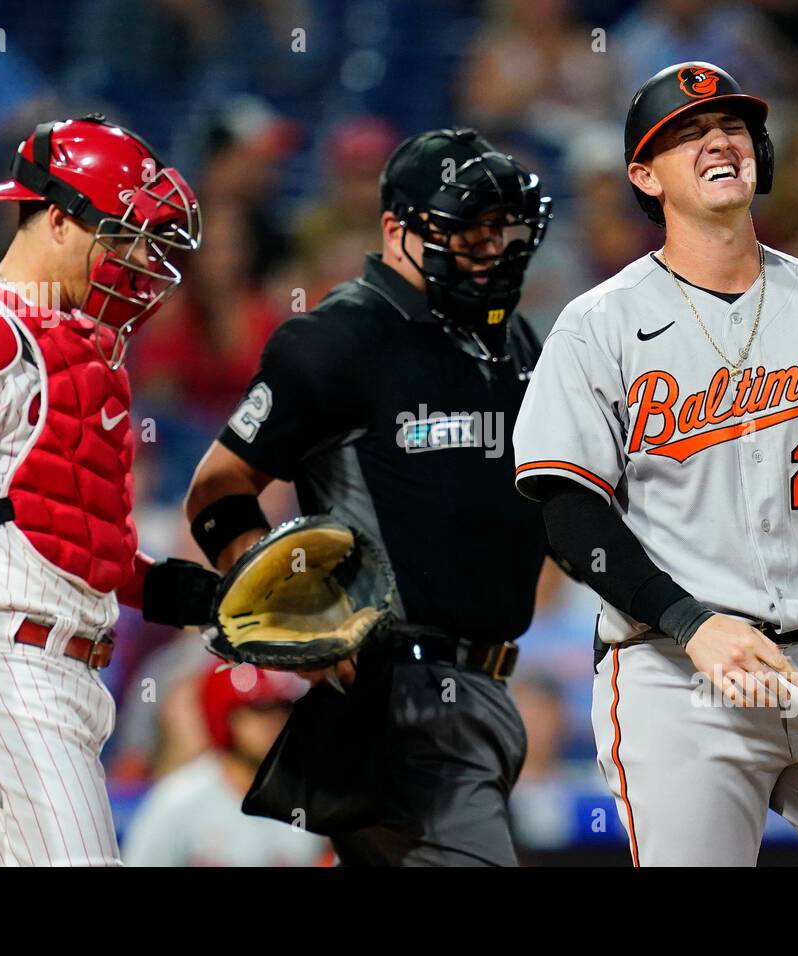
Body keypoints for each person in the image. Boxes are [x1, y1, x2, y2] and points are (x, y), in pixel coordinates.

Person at [512, 62, 798, 866]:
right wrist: (690, 623)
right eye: (686, 134)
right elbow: (567, 513)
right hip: (673, 674)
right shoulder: (598, 326)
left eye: (729, 126)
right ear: (643, 176)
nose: (717, 141)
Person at [184, 128, 552, 866]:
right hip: (399, 693)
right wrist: (290, 602)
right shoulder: (337, 339)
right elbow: (217, 492)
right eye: (463, 228)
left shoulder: (513, 339)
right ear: (395, 230)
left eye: (501, 227)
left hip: (488, 689)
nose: (487, 246)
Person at [0, 115, 219, 866]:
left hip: (60, 671)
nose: (140, 262)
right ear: (57, 218)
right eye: (124, 237)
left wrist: (186, 597)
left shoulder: (83, 344)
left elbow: (62, 537)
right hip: (2, 671)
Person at [122, 662, 328, 866]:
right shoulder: (178, 800)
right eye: (260, 709)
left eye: (282, 708)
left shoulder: (308, 800)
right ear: (225, 716)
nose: (274, 721)